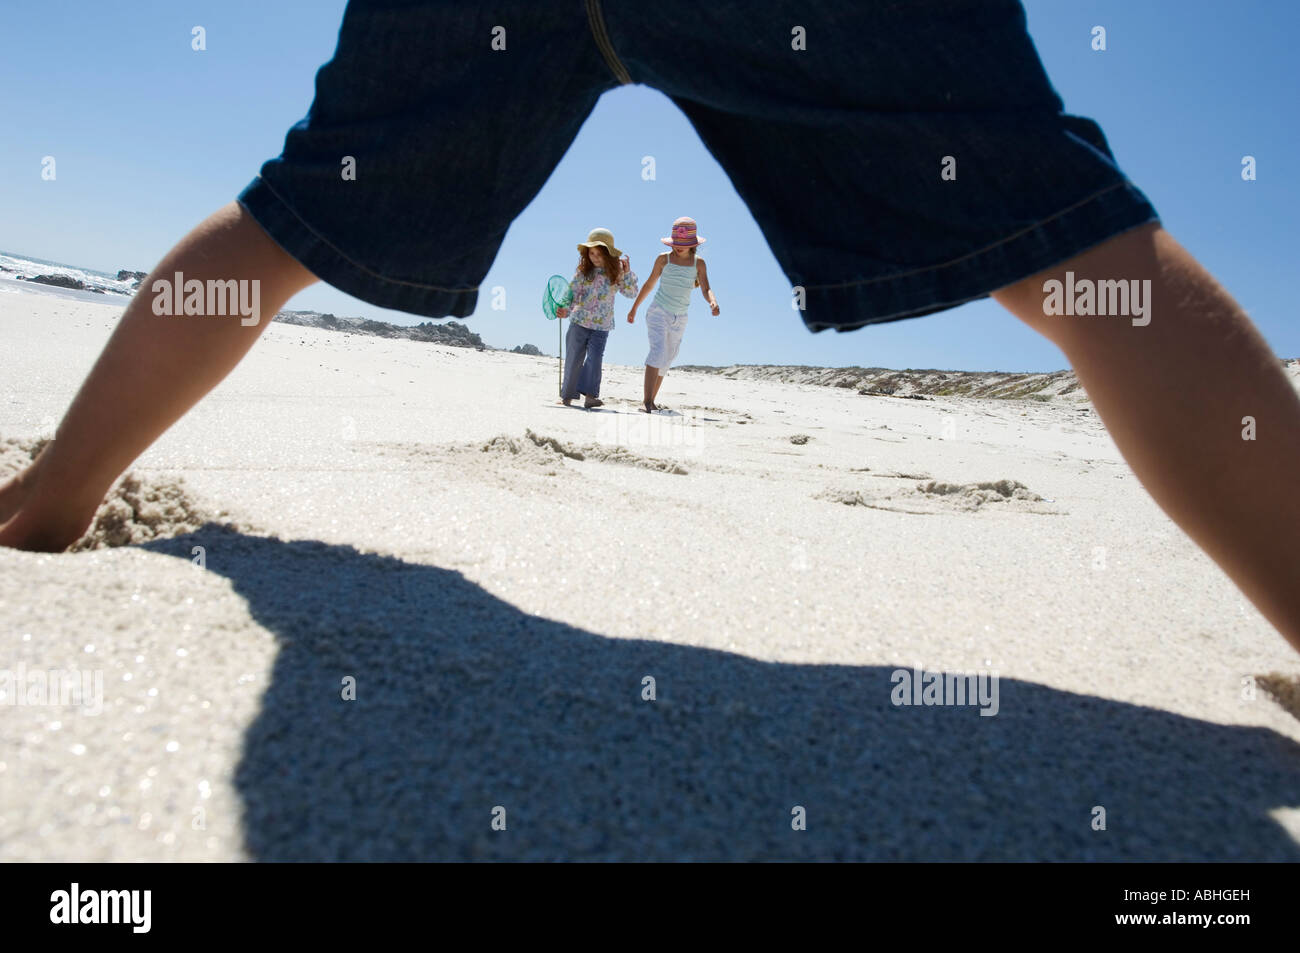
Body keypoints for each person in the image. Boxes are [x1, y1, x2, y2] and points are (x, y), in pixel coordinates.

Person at [2, 1, 1298, 654]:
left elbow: (630, 297)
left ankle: (49, 500)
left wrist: (668, 298)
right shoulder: (626, 269)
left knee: (287, 222)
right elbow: (588, 301)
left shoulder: (660, 268)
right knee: (1065, 245)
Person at [626, 217, 720, 413]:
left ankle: (652, 400)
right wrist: (634, 307)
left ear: (693, 244)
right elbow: (649, 284)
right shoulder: (664, 259)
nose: (679, 247)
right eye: (676, 243)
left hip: (681, 317)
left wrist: (712, 301)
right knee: (658, 351)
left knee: (668, 358)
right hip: (658, 311)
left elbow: (706, 288)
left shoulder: (699, 263)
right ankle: (646, 402)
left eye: (683, 244)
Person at [556, 228, 638, 408]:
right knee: (573, 358)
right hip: (579, 322)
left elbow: (631, 293)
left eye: (599, 254)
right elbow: (572, 295)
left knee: (595, 358)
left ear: (609, 254)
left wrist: (628, 273)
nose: (594, 257)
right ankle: (567, 397)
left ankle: (591, 396)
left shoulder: (616, 274)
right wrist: (564, 310)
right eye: (591, 253)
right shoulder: (582, 273)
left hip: (602, 326)